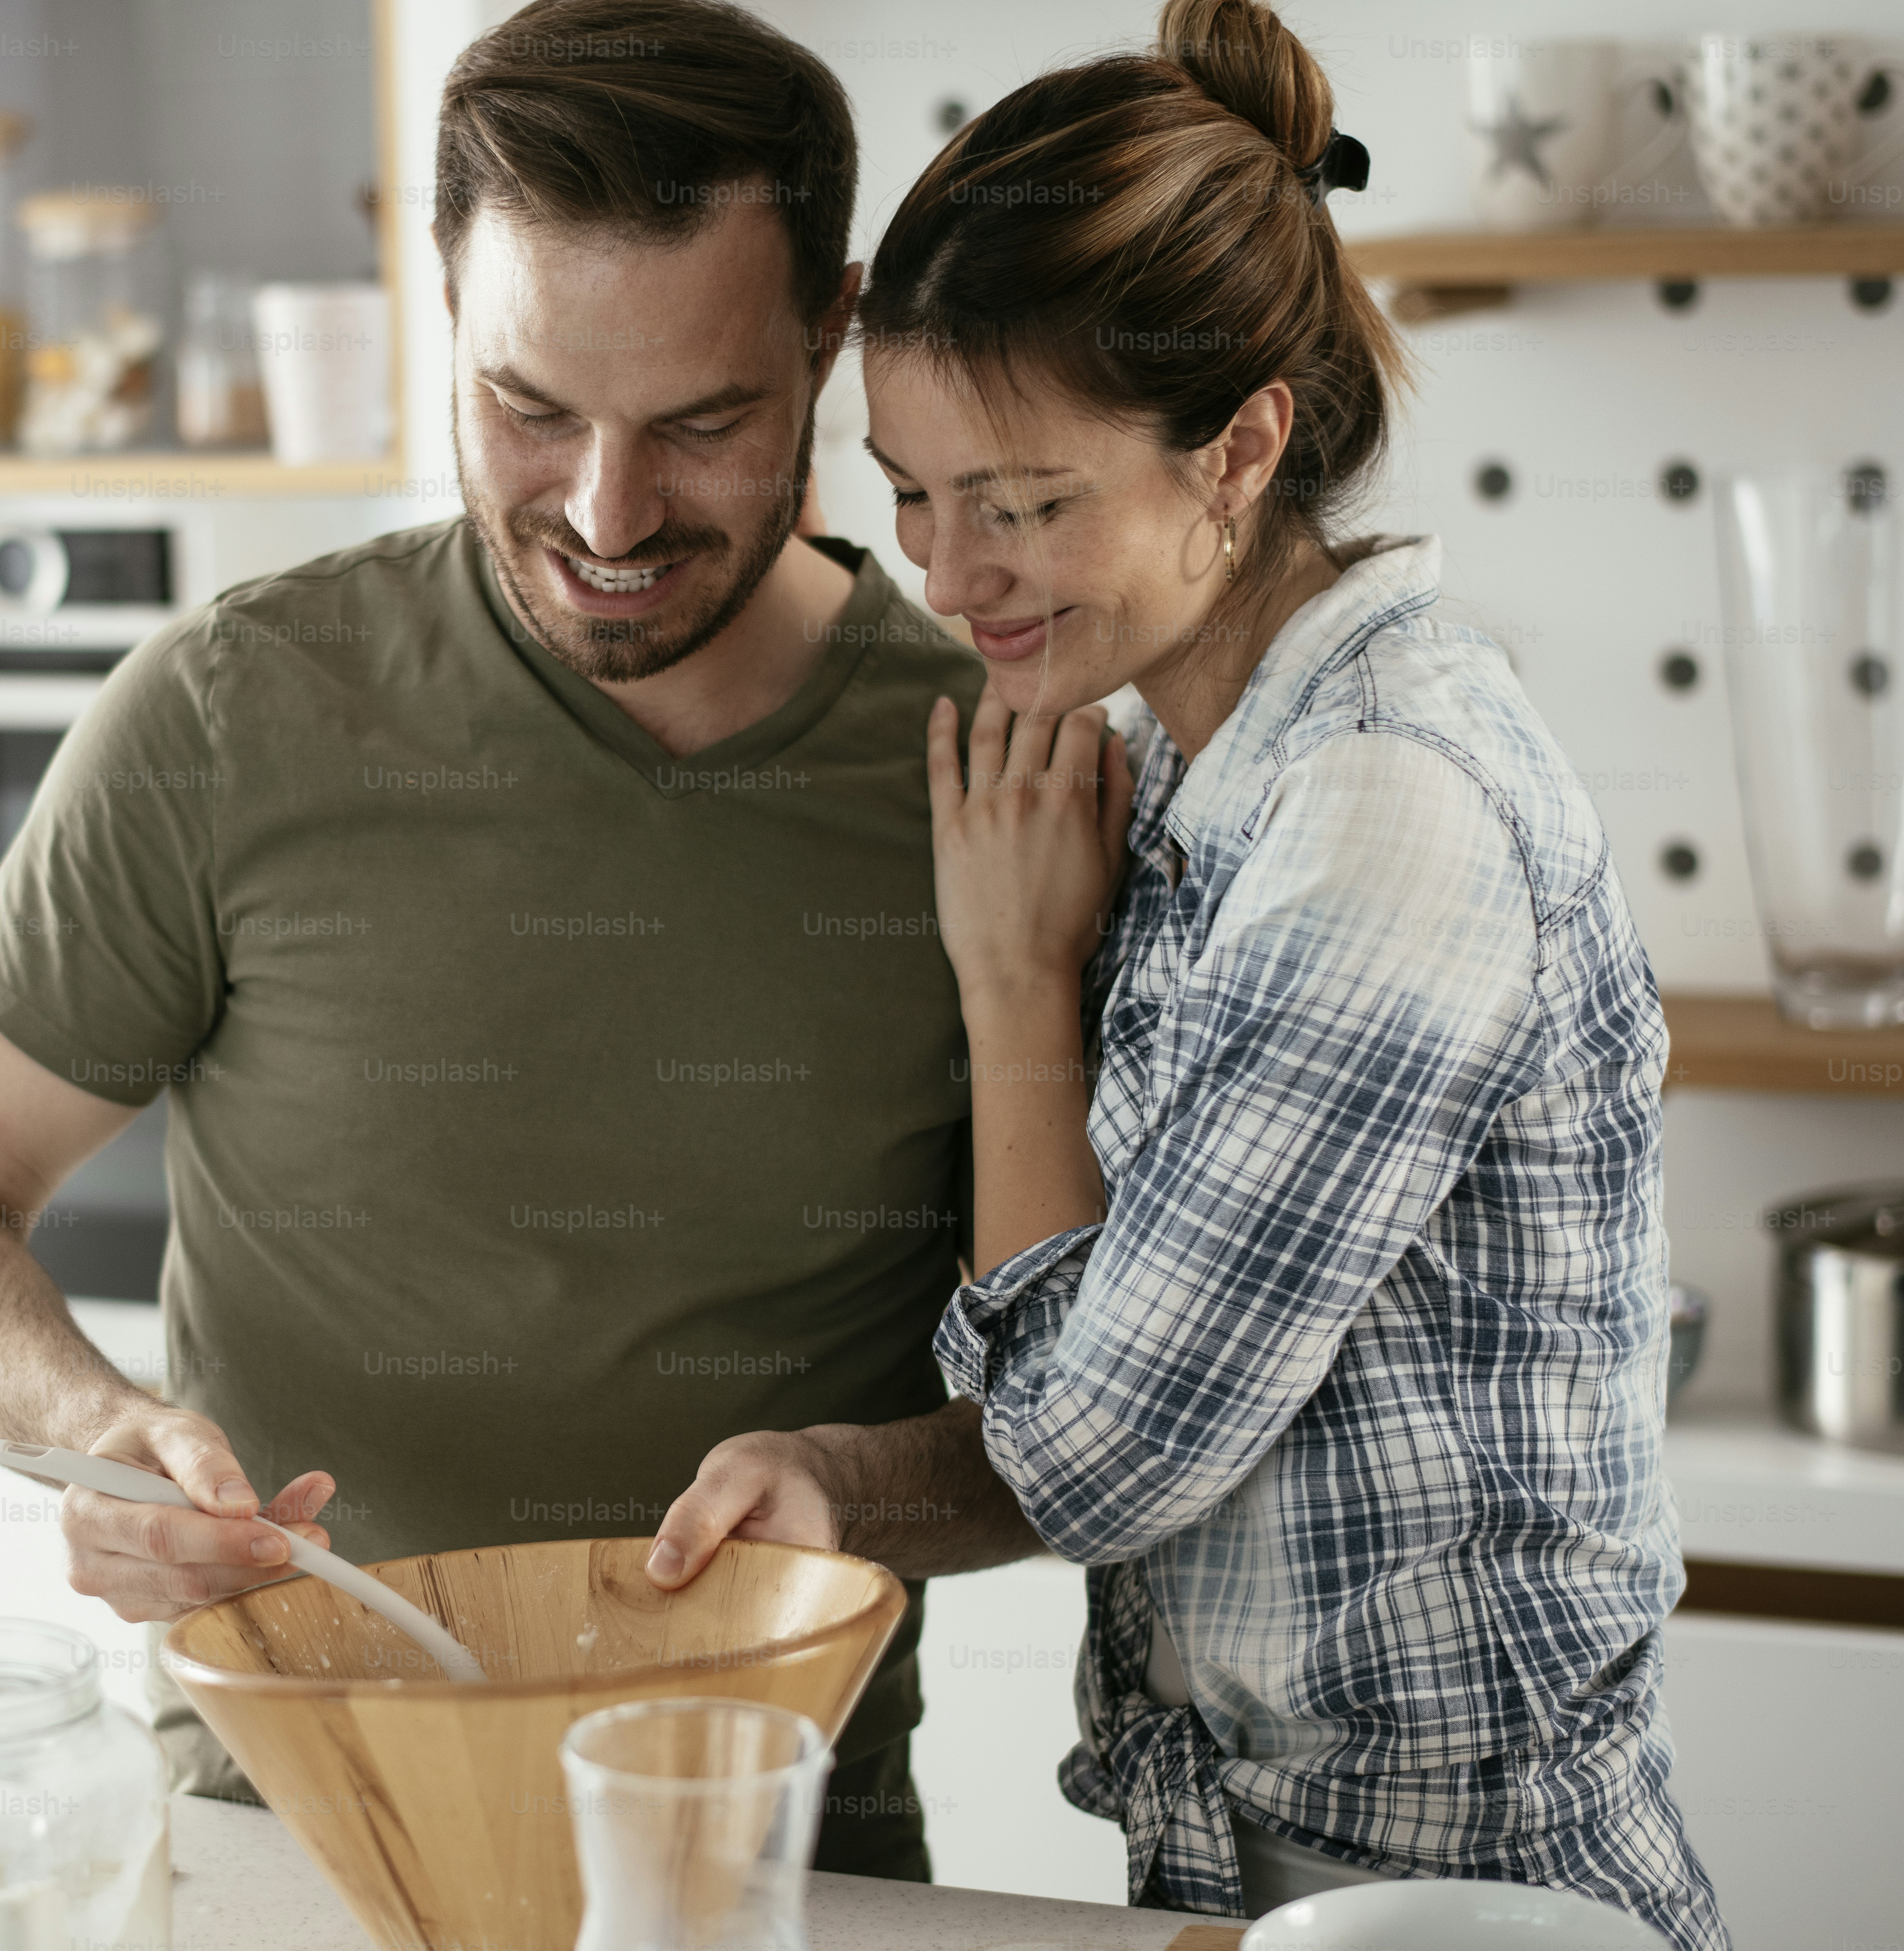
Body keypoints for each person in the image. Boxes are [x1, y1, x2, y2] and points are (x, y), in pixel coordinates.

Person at [0, 0, 1042, 1880]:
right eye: (527, 409)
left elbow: (1081, 1408)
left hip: (780, 1876)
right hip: (283, 1850)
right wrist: (95, 1429)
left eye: (703, 425)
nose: (609, 514)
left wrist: (873, 1486)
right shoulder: (232, 714)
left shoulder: (1000, 770)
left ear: (831, 333)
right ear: (440, 312)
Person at [687, 0, 1725, 1940]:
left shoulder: (1387, 816)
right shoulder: (1175, 741)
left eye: (1027, 503)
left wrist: (1016, 989)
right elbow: (1115, 1344)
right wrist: (835, 1476)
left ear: (1239, 446)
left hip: (1471, 1908)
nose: (949, 570)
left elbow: (1092, 1456)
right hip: (1258, 1882)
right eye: (911, 488)